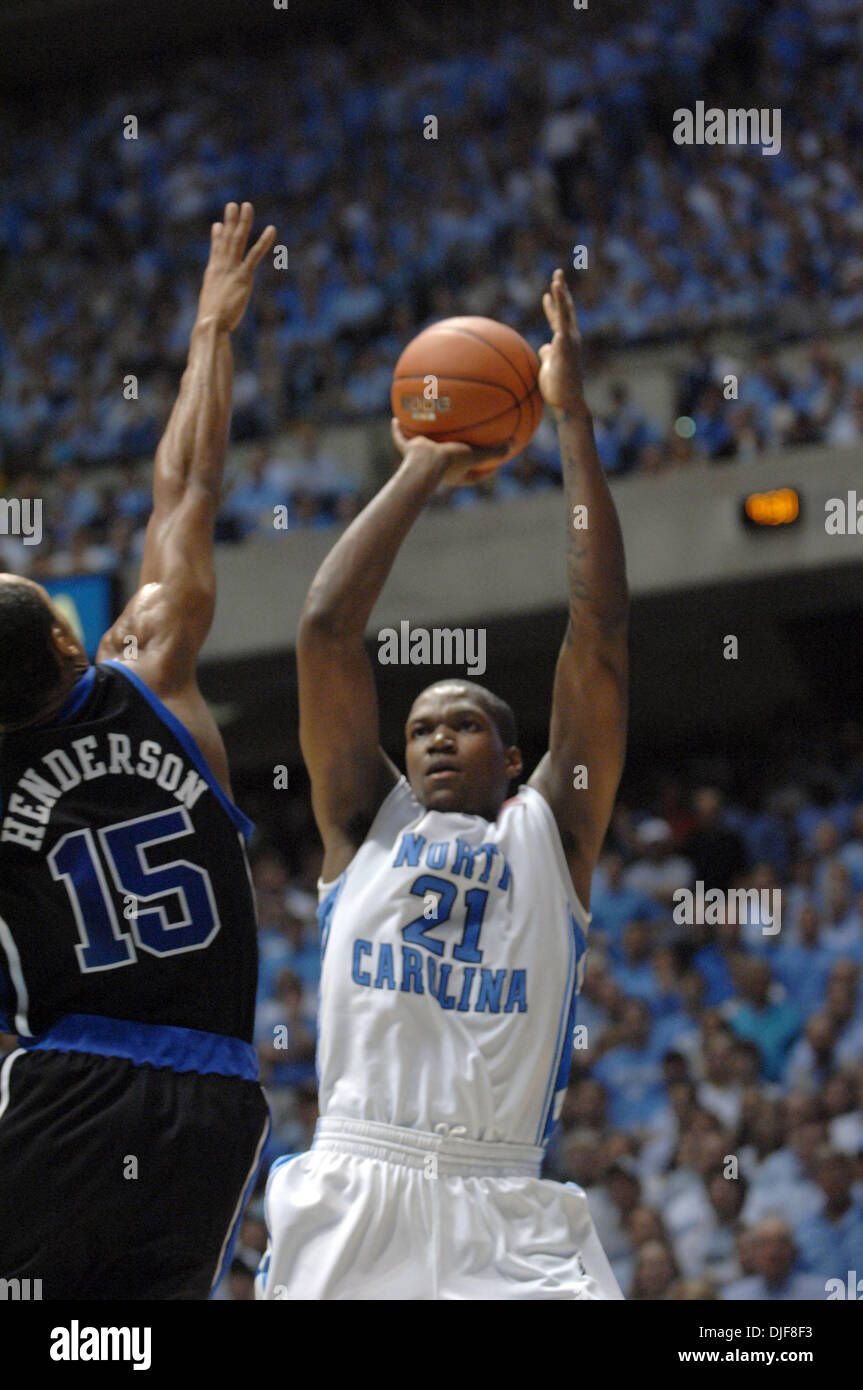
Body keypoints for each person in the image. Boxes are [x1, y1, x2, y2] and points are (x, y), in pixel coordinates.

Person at [257, 269, 629, 1300]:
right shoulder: (359, 823)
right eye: (418, 725)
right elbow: (326, 630)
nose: (432, 739)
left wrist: (567, 420)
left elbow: (596, 633)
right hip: (354, 1182)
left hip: (502, 1203)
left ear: (513, 760)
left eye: (462, 723)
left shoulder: (551, 833)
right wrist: (423, 460)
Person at [0, 202, 275, 1299]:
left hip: (73, 1077)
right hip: (218, 1090)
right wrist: (212, 327)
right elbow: (189, 488)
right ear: (73, 635)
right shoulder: (153, 672)